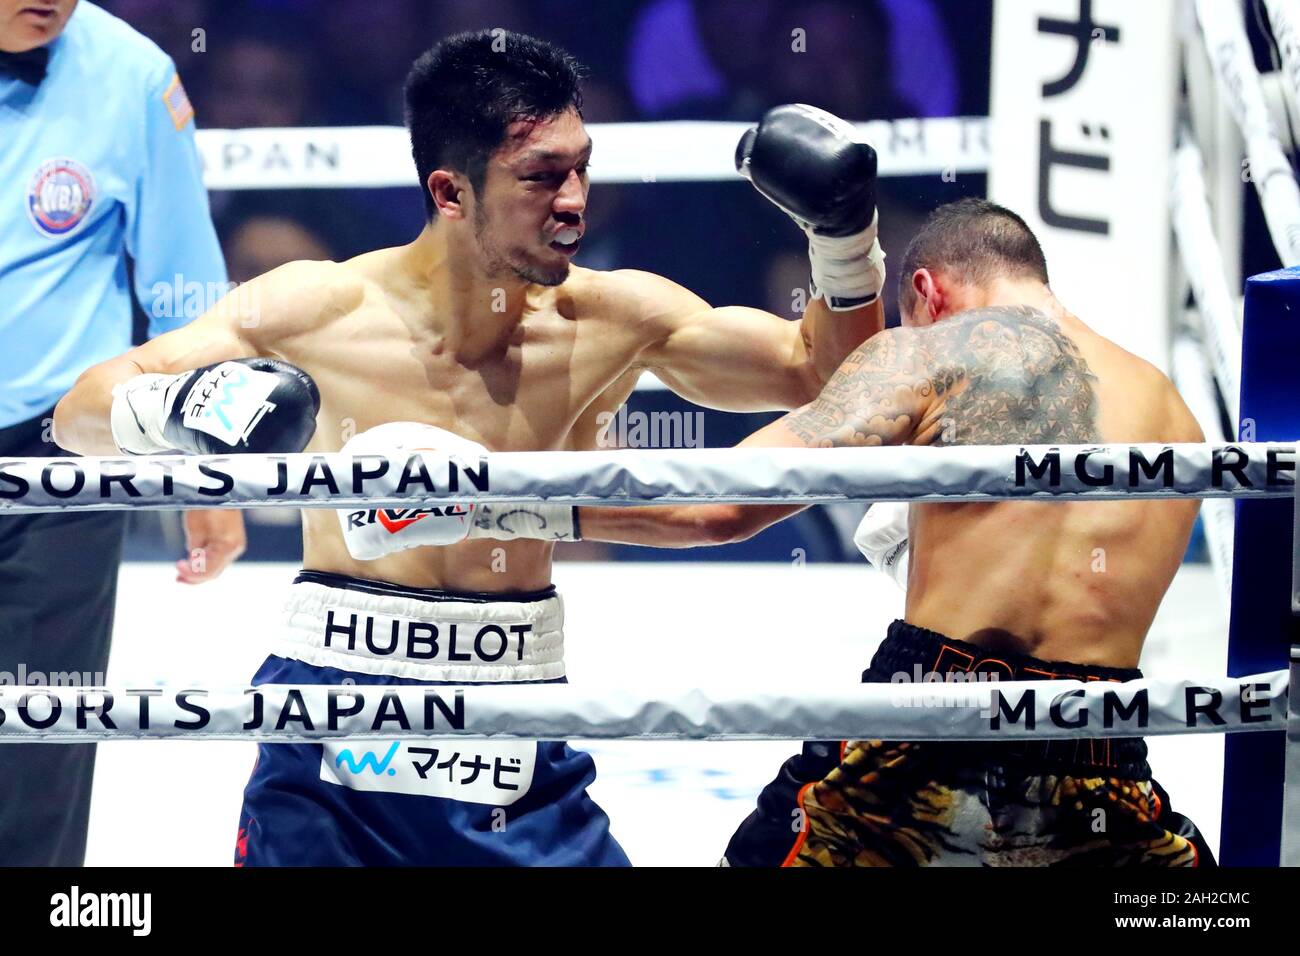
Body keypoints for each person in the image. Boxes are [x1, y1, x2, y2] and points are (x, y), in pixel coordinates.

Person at [52, 30, 888, 865]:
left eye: (580, 167)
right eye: (540, 177)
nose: (574, 200)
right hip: (332, 713)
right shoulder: (318, 309)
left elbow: (823, 377)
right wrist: (179, 408)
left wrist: (844, 242)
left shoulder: (614, 318)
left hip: (513, 712)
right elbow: (78, 413)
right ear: (450, 192)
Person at [529, 198, 1216, 867]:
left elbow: (719, 503)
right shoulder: (1173, 412)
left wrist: (522, 507)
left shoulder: (936, 352)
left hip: (927, 726)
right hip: (1097, 746)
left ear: (926, 292)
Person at [0, 0, 241, 865]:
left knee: (41, 745)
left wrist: (211, 470)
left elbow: (185, 285)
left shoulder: (134, 74)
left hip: (55, 457)